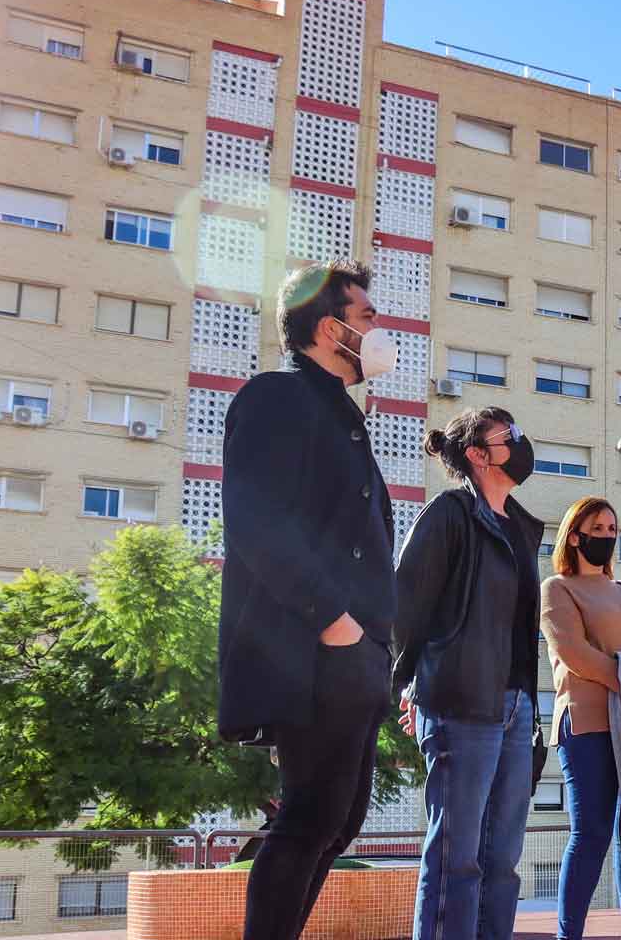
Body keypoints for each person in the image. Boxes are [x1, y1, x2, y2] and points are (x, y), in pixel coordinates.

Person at [218, 260, 398, 940]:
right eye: (368, 315)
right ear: (331, 329)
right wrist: (335, 624)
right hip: (315, 648)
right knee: (309, 817)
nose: (379, 328)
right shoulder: (277, 398)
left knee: (337, 821)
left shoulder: (341, 414)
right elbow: (257, 524)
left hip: (358, 654)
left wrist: (375, 643)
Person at [392, 408, 545, 940]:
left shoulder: (522, 528)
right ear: (478, 455)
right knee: (458, 858)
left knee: (501, 859)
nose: (521, 443)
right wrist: (409, 686)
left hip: (516, 706)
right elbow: (406, 608)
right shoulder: (449, 514)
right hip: (459, 701)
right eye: (509, 436)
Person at [540, 496, 621, 940]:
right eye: (598, 529)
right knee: (591, 834)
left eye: (613, 530)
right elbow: (573, 655)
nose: (608, 537)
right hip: (587, 725)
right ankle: (568, 934)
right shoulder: (557, 588)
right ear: (574, 536)